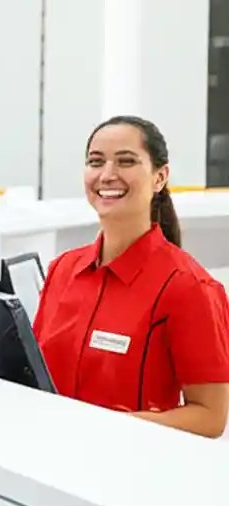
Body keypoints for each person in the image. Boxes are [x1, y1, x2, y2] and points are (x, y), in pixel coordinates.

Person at [33, 115, 229, 437]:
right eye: (96, 162)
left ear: (159, 177)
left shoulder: (189, 288)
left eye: (126, 161)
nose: (107, 175)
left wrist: (108, 428)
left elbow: (210, 418)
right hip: (47, 457)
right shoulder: (62, 270)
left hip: (129, 470)